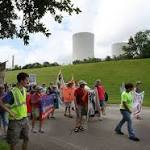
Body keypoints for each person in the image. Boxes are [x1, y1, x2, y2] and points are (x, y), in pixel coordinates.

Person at [0, 72, 29, 150]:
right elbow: (1, 102)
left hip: (25, 119)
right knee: (13, 142)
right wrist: (10, 112)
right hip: (15, 121)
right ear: (21, 81)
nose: (28, 81)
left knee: (26, 139)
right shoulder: (12, 92)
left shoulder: (24, 89)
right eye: (26, 80)